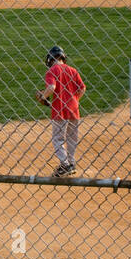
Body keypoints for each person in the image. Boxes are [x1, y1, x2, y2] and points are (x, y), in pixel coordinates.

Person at [35, 45, 85, 177]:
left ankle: (65, 164)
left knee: (58, 138)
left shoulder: (52, 71)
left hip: (60, 111)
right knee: (71, 138)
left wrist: (42, 96)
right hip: (74, 109)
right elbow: (82, 88)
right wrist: (74, 99)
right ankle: (71, 163)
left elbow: (51, 87)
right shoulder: (73, 70)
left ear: (50, 59)